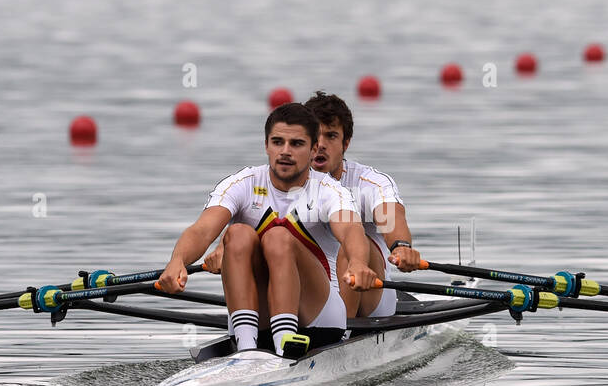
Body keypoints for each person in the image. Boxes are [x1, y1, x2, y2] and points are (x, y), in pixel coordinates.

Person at [156, 103, 378, 356]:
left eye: (296, 144)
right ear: (266, 145)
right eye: (277, 142)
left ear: (313, 148)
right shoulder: (242, 183)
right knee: (237, 234)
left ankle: (283, 341)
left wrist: (358, 263)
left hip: (319, 319)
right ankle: (247, 347)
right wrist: (177, 261)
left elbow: (350, 230)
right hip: (260, 319)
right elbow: (201, 231)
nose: (285, 152)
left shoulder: (330, 190)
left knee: (278, 237)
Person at [303, 91, 421, 317]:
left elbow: (390, 217)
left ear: (346, 143)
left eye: (331, 136)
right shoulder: (287, 183)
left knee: (354, 241)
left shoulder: (370, 183)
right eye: (314, 136)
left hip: (370, 298)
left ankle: (338, 336)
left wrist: (401, 247)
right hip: (317, 292)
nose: (320, 145)